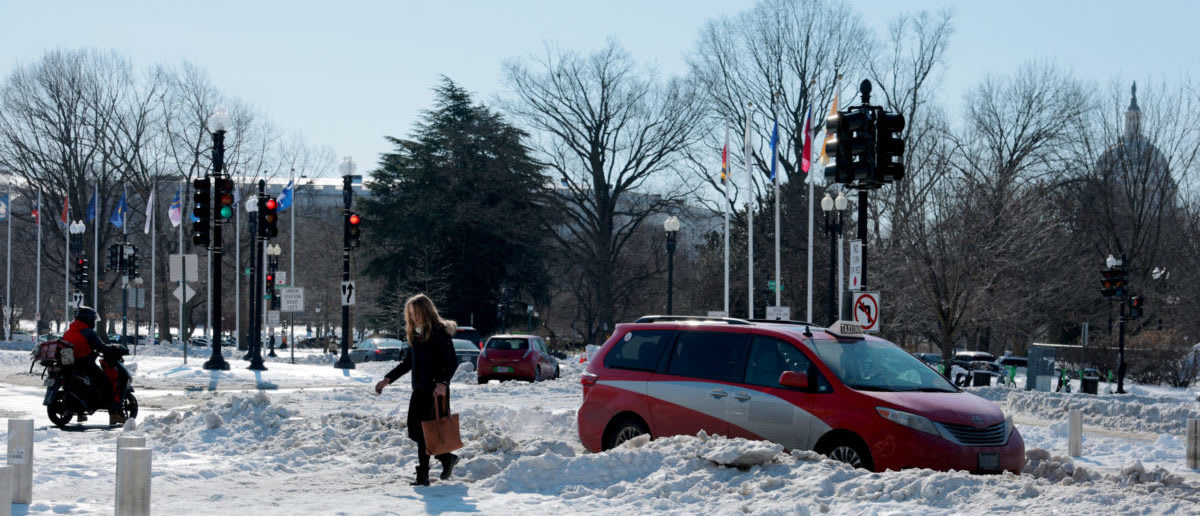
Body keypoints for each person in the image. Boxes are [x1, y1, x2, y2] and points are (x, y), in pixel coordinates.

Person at [374, 294, 460, 486]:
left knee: (424, 432)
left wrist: (443, 383)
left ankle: (423, 476)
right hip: (419, 390)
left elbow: (452, 362)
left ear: (426, 311)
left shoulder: (439, 333)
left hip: (435, 391)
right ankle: (446, 459)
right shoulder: (416, 334)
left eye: (416, 313)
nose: (413, 318)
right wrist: (388, 379)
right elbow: (408, 363)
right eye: (410, 314)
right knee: (415, 431)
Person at [61, 306, 127, 425]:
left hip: (72, 366)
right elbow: (101, 347)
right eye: (92, 319)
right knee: (106, 385)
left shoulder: (68, 332)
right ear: (87, 319)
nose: (93, 322)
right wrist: (115, 348)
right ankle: (114, 415)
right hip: (86, 365)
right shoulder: (88, 332)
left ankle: (80, 415)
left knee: (82, 387)